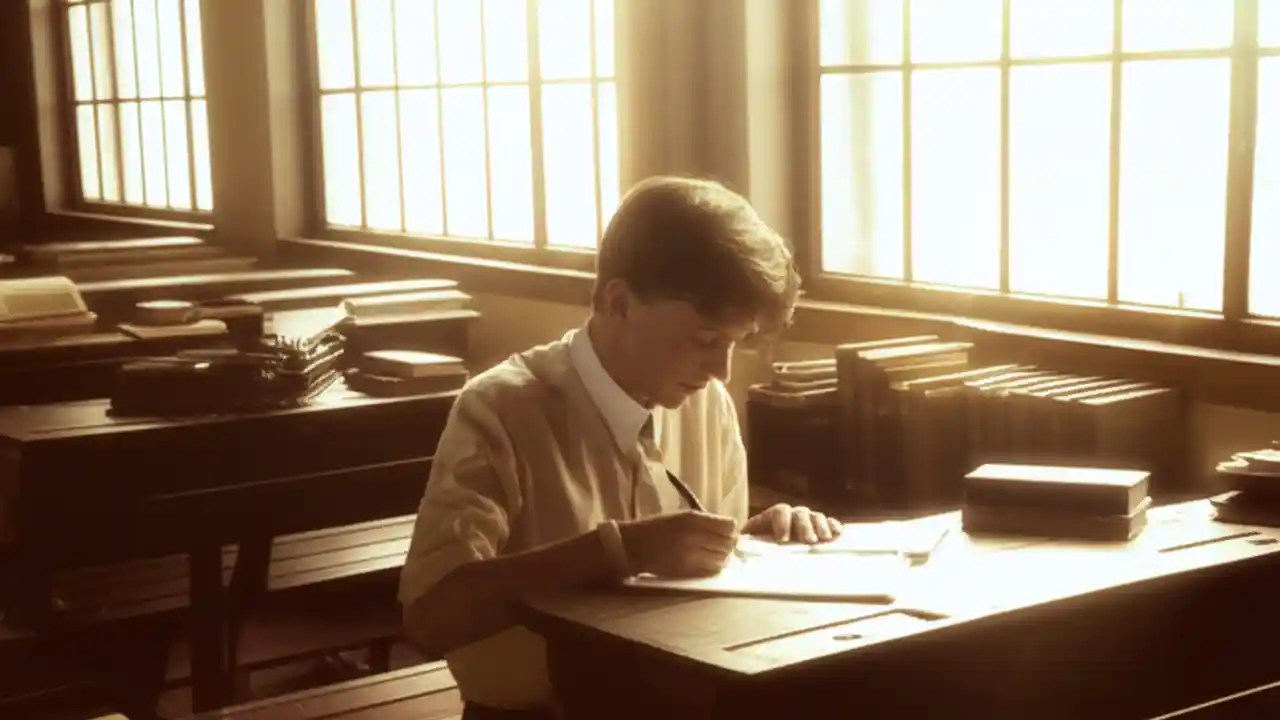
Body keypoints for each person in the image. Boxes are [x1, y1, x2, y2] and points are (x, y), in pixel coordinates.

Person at [398, 176, 843, 719]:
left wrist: (755, 541)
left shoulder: (707, 404)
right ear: (620, 303)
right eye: (706, 340)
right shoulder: (500, 409)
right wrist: (616, 552)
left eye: (734, 343)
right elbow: (430, 618)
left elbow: (700, 592)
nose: (721, 370)